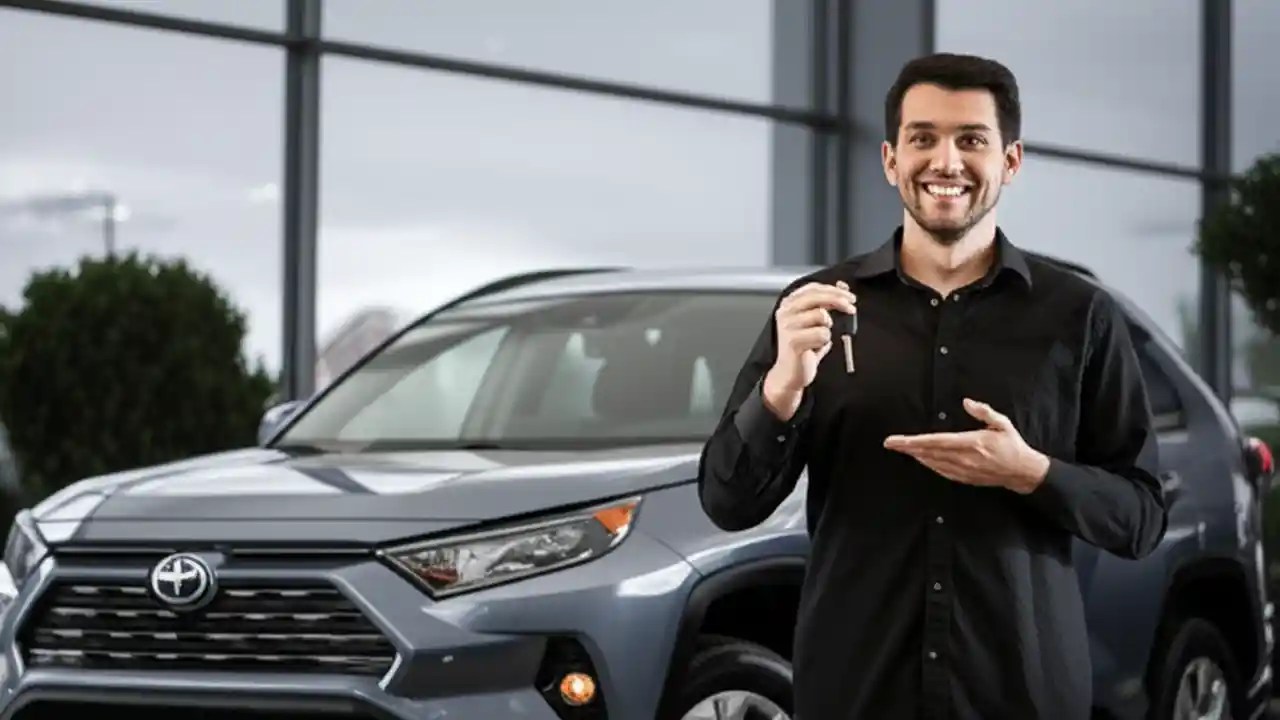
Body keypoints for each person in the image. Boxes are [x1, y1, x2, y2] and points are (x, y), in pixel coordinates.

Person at [696, 52, 1167, 720]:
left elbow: (1141, 518)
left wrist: (1030, 472)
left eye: (971, 140)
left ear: (1010, 161)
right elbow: (727, 502)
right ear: (891, 160)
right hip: (855, 694)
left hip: (1020, 696)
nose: (946, 162)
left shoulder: (1080, 316)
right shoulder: (815, 307)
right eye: (923, 138)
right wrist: (780, 392)